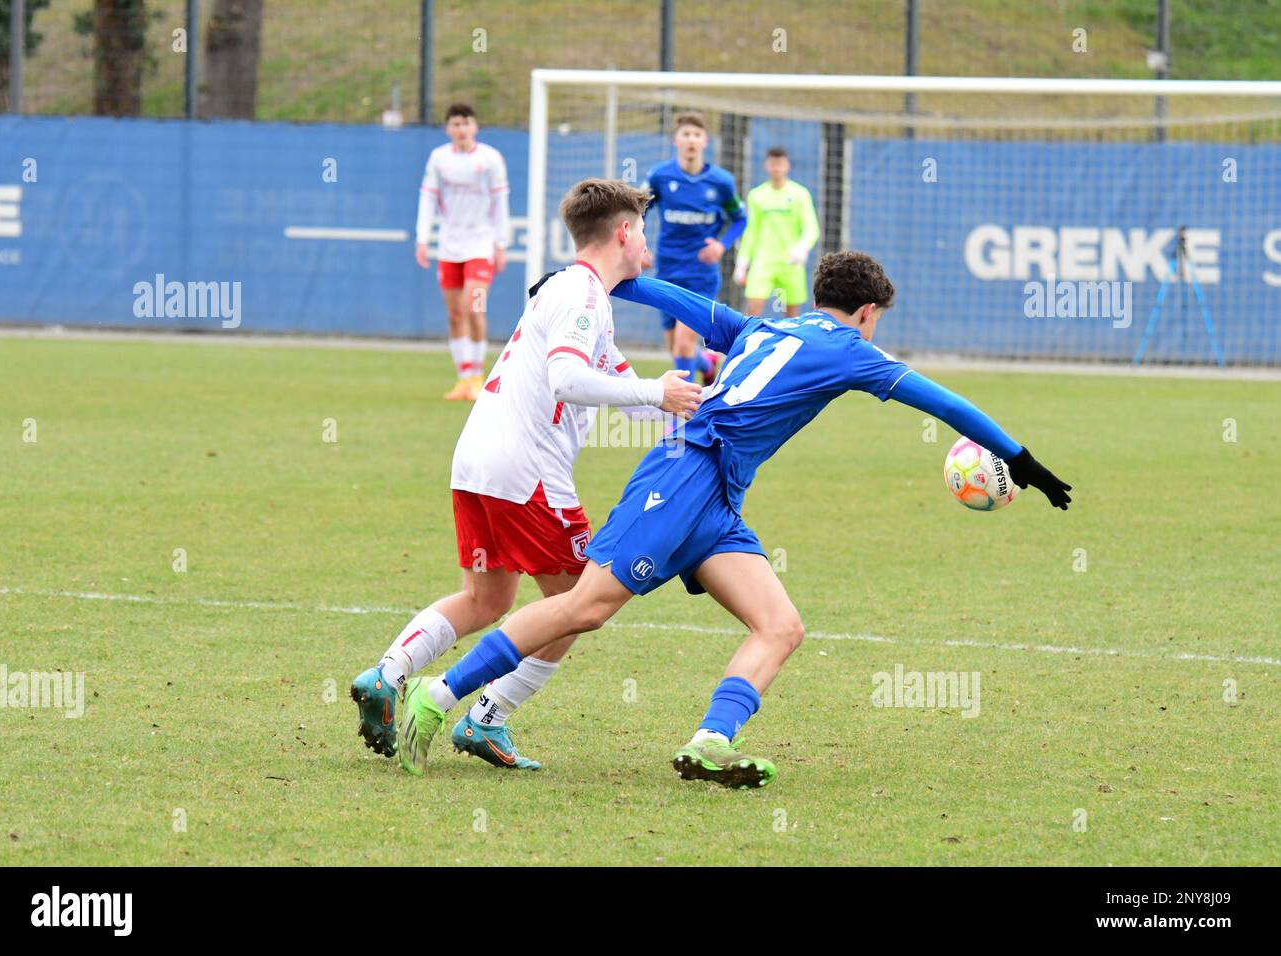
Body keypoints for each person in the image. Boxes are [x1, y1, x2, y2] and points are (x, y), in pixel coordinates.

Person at [397, 251, 1073, 786]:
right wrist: (1022, 459)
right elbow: (943, 402)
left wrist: (615, 284)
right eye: (876, 321)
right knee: (586, 607)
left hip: (717, 500)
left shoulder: (768, 324)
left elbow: (694, 306)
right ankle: (440, 694)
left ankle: (710, 741)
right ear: (867, 313)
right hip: (685, 472)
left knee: (780, 625)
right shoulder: (852, 350)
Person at [354, 178, 701, 770]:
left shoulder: (570, 294)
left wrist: (707, 401)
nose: (647, 240)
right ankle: (486, 718)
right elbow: (569, 380)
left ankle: (388, 674)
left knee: (485, 598)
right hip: (528, 472)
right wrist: (654, 389)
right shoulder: (584, 297)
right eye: (642, 229)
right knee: (579, 605)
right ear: (623, 232)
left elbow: (632, 394)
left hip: (477, 461)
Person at [642, 112, 746, 383]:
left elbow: (740, 219)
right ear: (676, 141)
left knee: (683, 345)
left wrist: (721, 246)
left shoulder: (721, 182)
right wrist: (639, 246)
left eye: (696, 135)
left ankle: (684, 415)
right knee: (675, 348)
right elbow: (637, 210)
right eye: (686, 135)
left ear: (705, 142)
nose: (691, 140)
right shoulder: (659, 177)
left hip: (701, 274)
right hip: (667, 269)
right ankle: (707, 361)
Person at [415, 103, 510, 401]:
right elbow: (428, 200)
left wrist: (501, 243)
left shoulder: (491, 159)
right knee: (455, 314)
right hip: (449, 247)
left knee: (474, 307)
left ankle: (478, 376)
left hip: (480, 245)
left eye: (466, 123)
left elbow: (500, 204)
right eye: (455, 124)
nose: (461, 129)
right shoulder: (439, 159)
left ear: (475, 127)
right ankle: (463, 378)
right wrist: (422, 238)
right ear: (448, 129)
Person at [734, 146, 820, 318]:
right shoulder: (757, 195)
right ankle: (750, 343)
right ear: (766, 165)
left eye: (780, 163)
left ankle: (786, 343)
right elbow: (751, 231)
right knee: (753, 309)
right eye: (773, 163)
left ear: (787, 166)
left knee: (788, 314)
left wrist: (802, 248)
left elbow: (811, 227)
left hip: (790, 263)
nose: (776, 167)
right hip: (763, 262)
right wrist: (742, 263)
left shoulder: (799, 194)